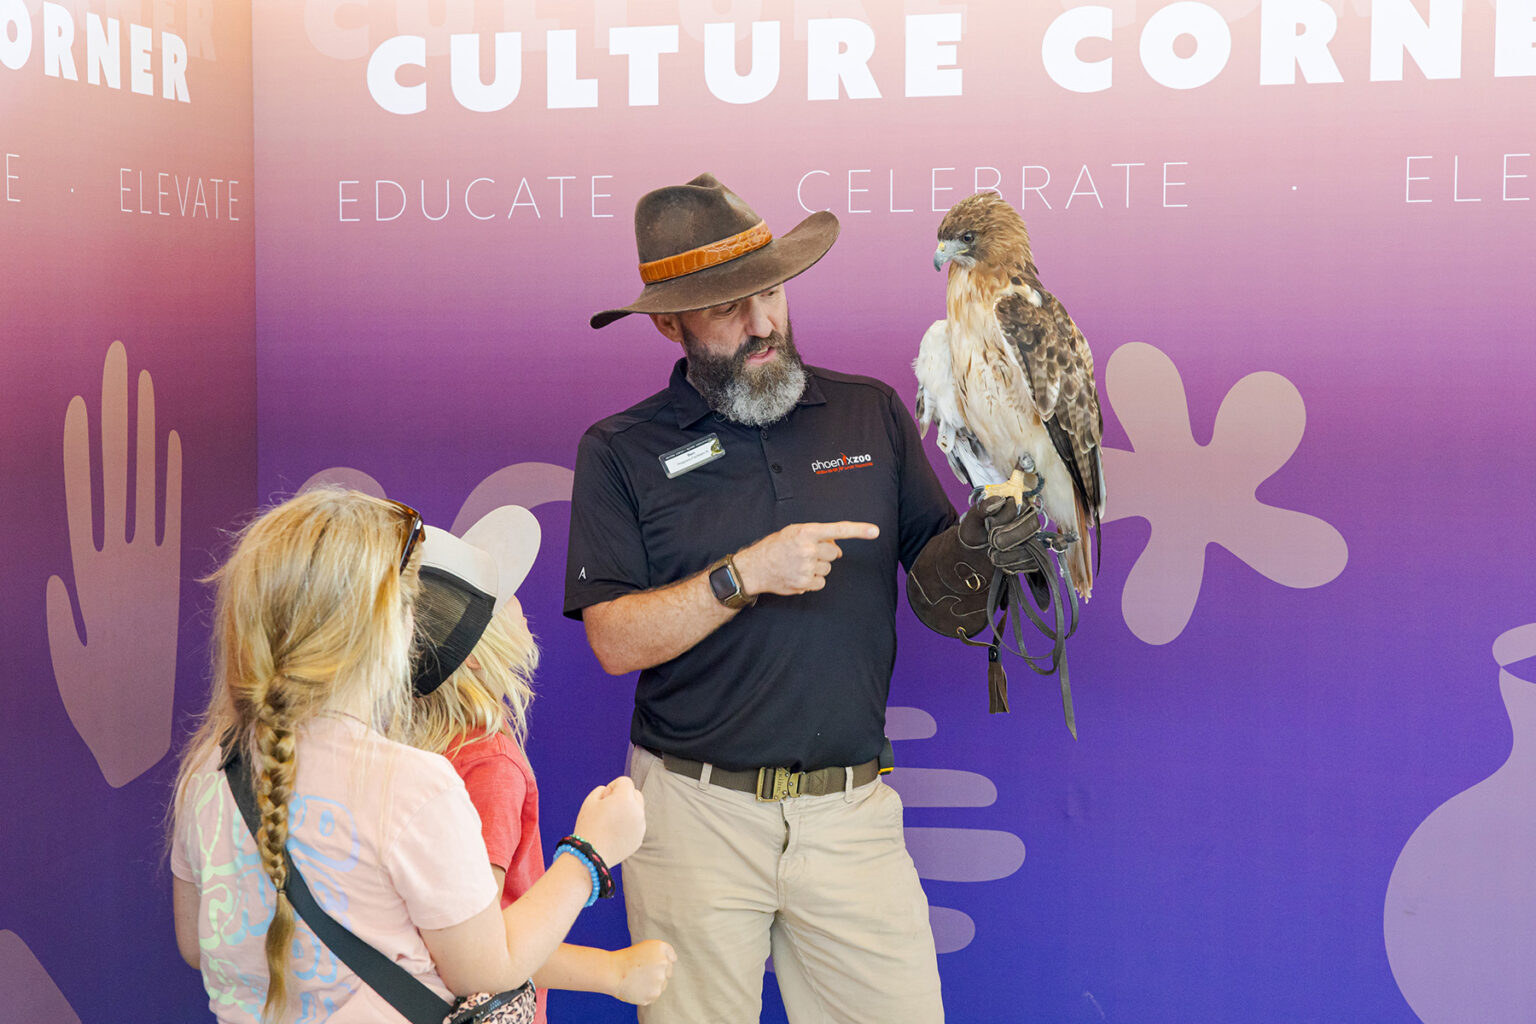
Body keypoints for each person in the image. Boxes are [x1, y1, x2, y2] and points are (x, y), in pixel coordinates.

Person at [564, 173, 1036, 1023]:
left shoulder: (872, 414)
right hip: (692, 814)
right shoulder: (620, 451)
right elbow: (613, 640)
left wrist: (984, 548)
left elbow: (939, 586)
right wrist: (742, 577)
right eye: (726, 309)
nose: (762, 325)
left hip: (850, 814)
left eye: (771, 292)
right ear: (669, 324)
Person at [168, 488, 646, 1024]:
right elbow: (484, 970)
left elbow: (196, 943)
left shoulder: (207, 771)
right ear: (388, 630)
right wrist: (589, 854)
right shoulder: (415, 785)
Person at [408, 524, 677, 1020]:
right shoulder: (489, 764)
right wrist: (614, 972)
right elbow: (482, 952)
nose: (519, 603)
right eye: (499, 596)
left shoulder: (410, 751)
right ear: (473, 658)